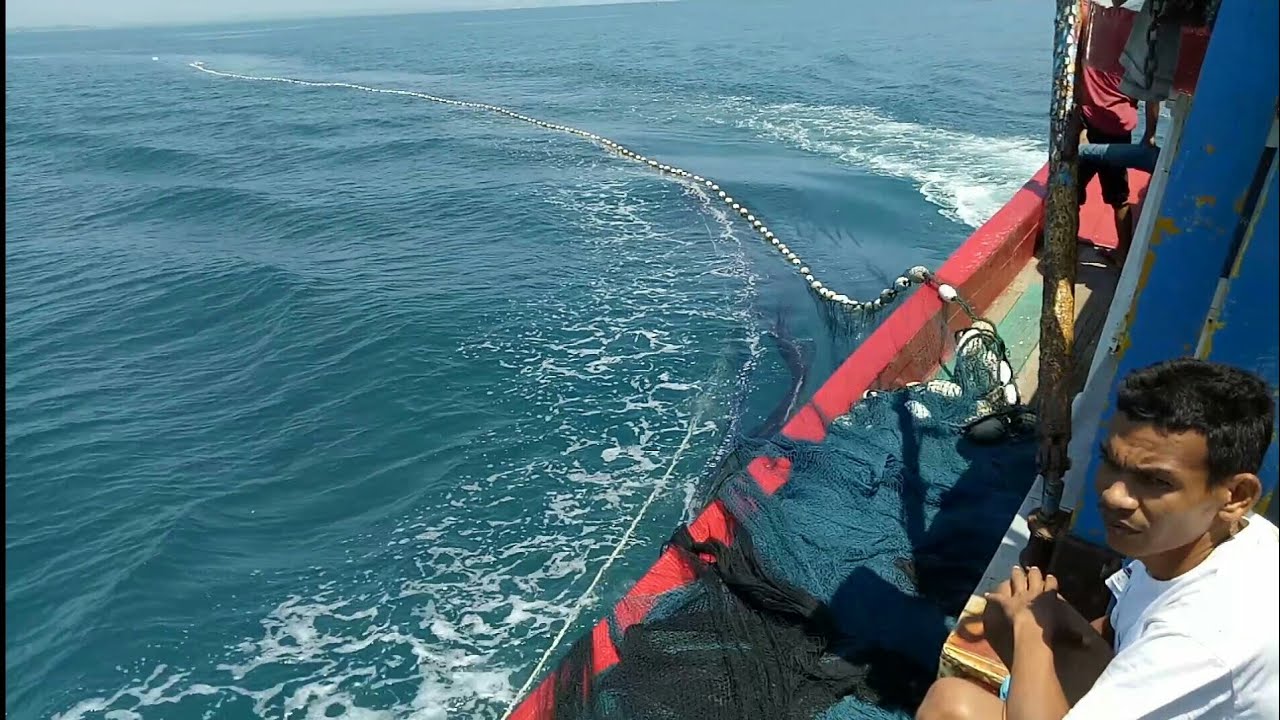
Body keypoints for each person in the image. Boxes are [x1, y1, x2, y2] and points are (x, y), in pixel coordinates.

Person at [916, 358, 1280, 720]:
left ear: (1236, 496)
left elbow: (1173, 641)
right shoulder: (1217, 536)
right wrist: (1047, 621)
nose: (1114, 496)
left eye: (1156, 481)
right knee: (1007, 617)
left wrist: (1030, 631)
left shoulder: (1201, 638)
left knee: (952, 707)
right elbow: (1126, 626)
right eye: (1112, 463)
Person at [1076, 0, 1162, 266]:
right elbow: (1151, 93)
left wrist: (1149, 133)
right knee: (1114, 197)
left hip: (1102, 129)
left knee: (1108, 196)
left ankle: (1120, 253)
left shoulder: (1093, 29)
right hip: (1099, 127)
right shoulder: (1136, 40)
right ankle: (1120, 253)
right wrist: (1149, 133)